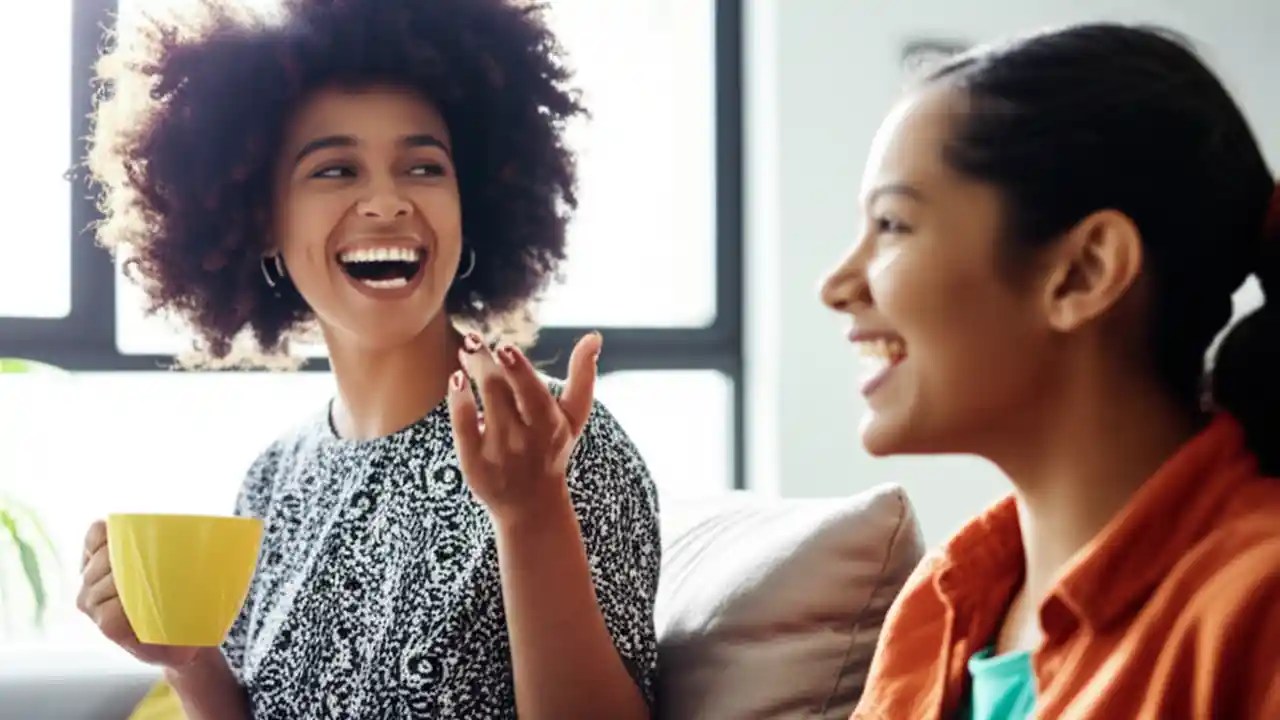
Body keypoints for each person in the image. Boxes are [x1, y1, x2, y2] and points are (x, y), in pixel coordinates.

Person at [73, 1, 660, 718]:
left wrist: (532, 511)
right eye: (335, 170)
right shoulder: (273, 480)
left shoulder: (561, 448)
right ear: (263, 222)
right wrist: (191, 660)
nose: (387, 201)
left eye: (423, 167)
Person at [820, 23, 1280, 720]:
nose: (836, 285)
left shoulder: (1256, 612)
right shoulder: (940, 605)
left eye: (892, 226)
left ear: (1084, 273)